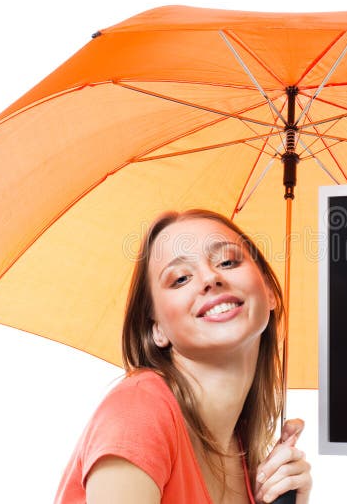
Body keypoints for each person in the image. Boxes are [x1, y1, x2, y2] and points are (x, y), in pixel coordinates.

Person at [55, 209, 312, 504]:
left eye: (227, 261)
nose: (210, 278)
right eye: (180, 279)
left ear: (269, 292)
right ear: (157, 330)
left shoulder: (245, 459)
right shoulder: (138, 412)